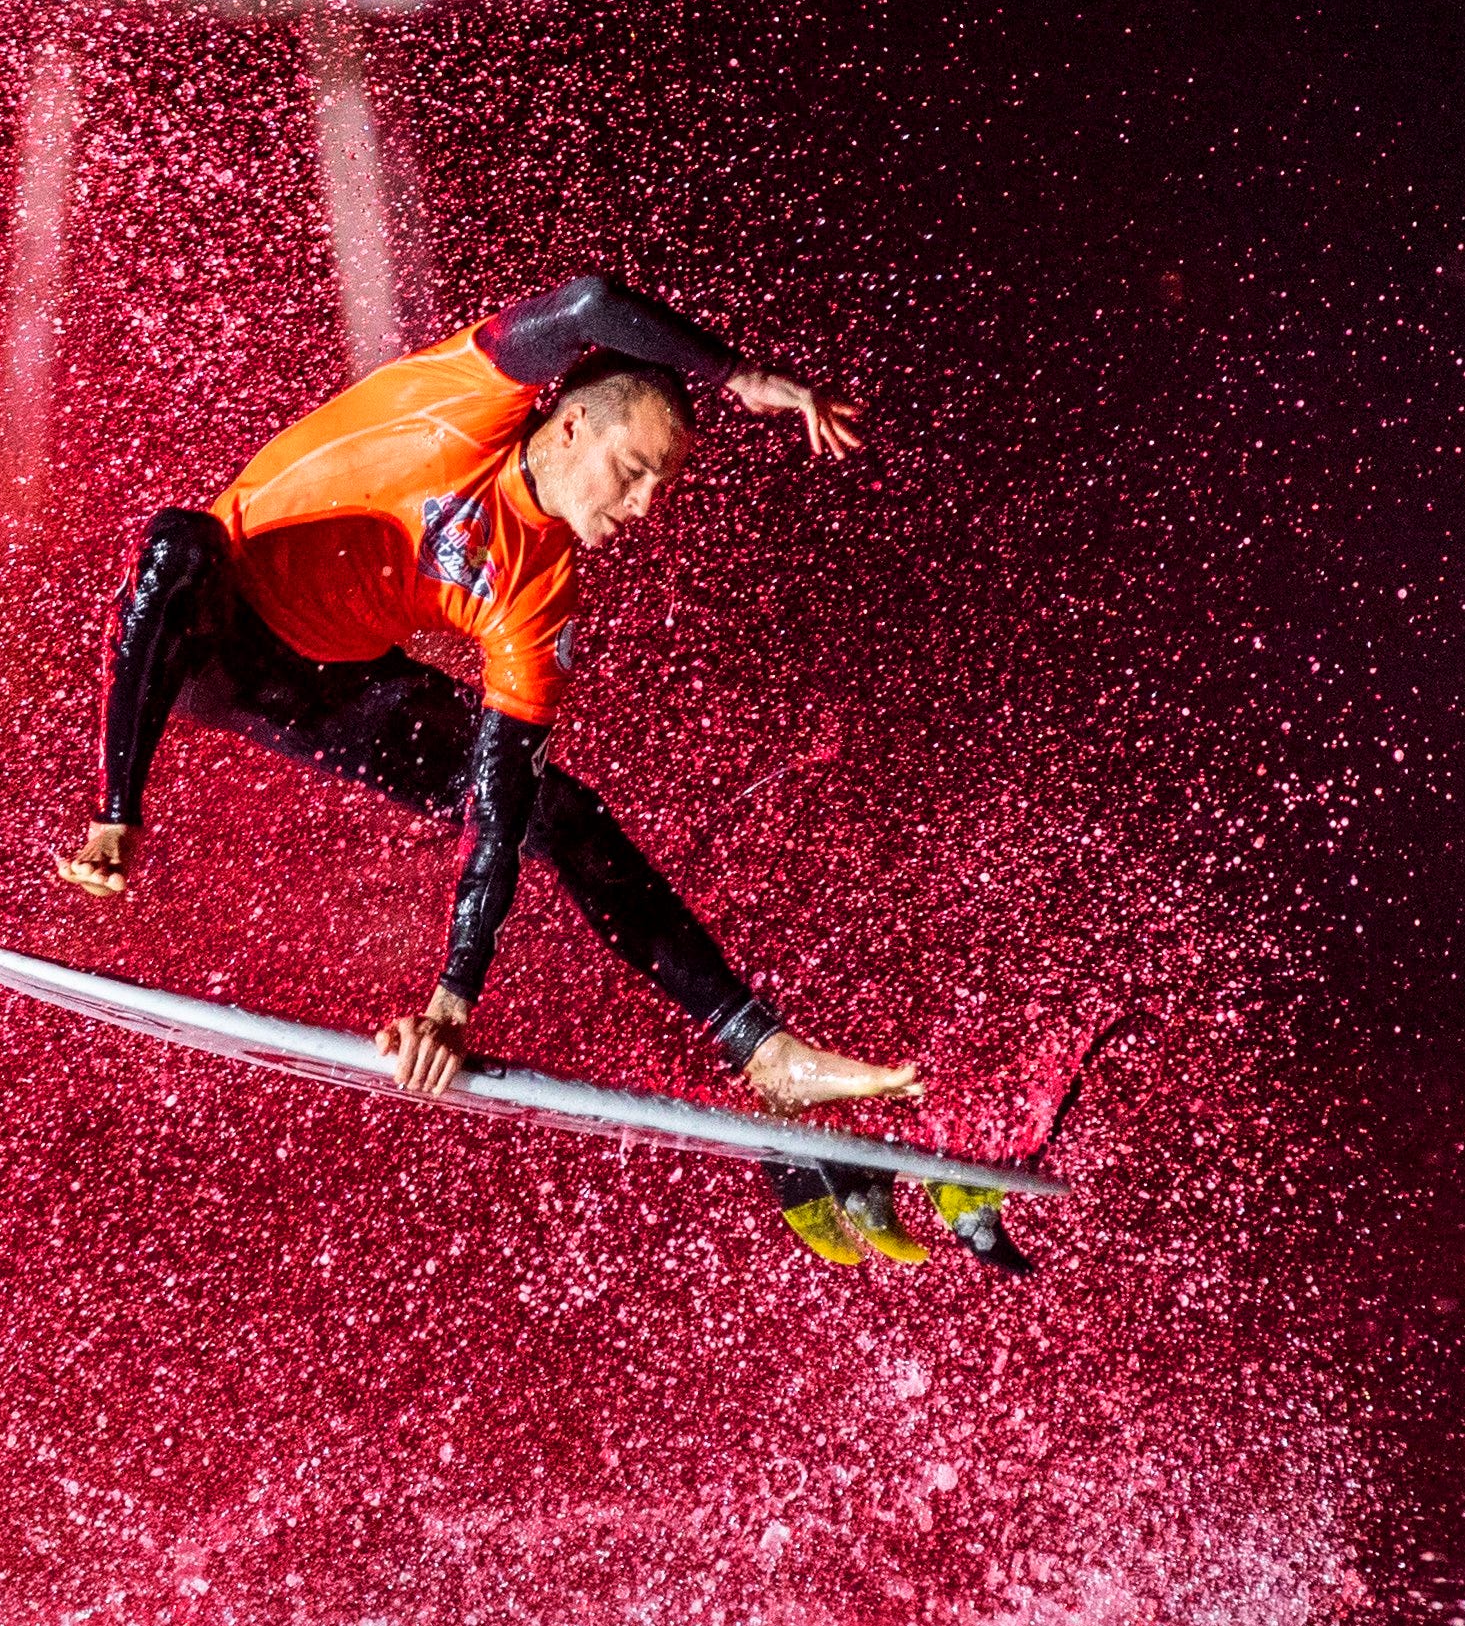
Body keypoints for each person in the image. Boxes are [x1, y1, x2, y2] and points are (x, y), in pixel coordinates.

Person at [58, 273, 922, 1121]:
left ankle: (760, 1048)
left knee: (558, 811)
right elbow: (588, 303)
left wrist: (451, 1000)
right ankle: (115, 816)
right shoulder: (467, 401)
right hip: (209, 631)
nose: (643, 505)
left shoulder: (541, 596)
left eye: (661, 488)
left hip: (323, 687)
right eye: (632, 472)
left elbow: (497, 813)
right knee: (180, 540)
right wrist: (737, 375)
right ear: (573, 424)